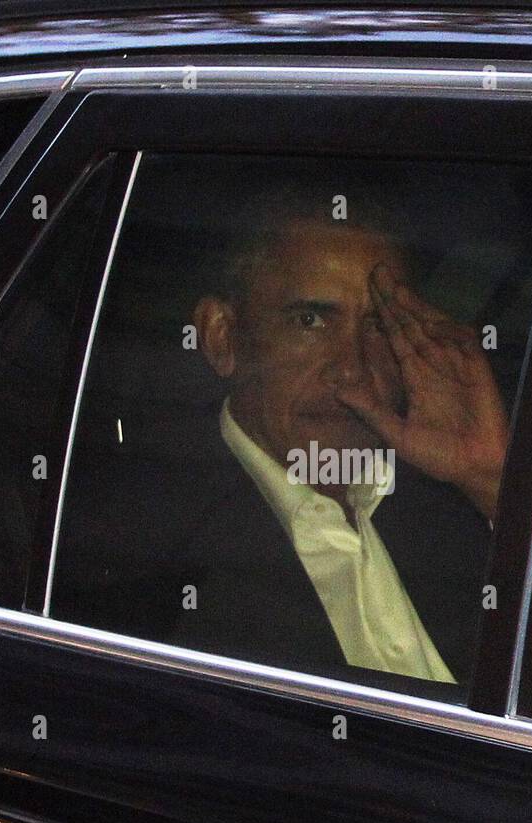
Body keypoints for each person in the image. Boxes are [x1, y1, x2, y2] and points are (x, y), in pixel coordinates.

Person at [169, 184, 507, 686]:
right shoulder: (155, 537)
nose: (352, 371)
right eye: (310, 320)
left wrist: (494, 483)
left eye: (376, 326)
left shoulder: (453, 494)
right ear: (222, 336)